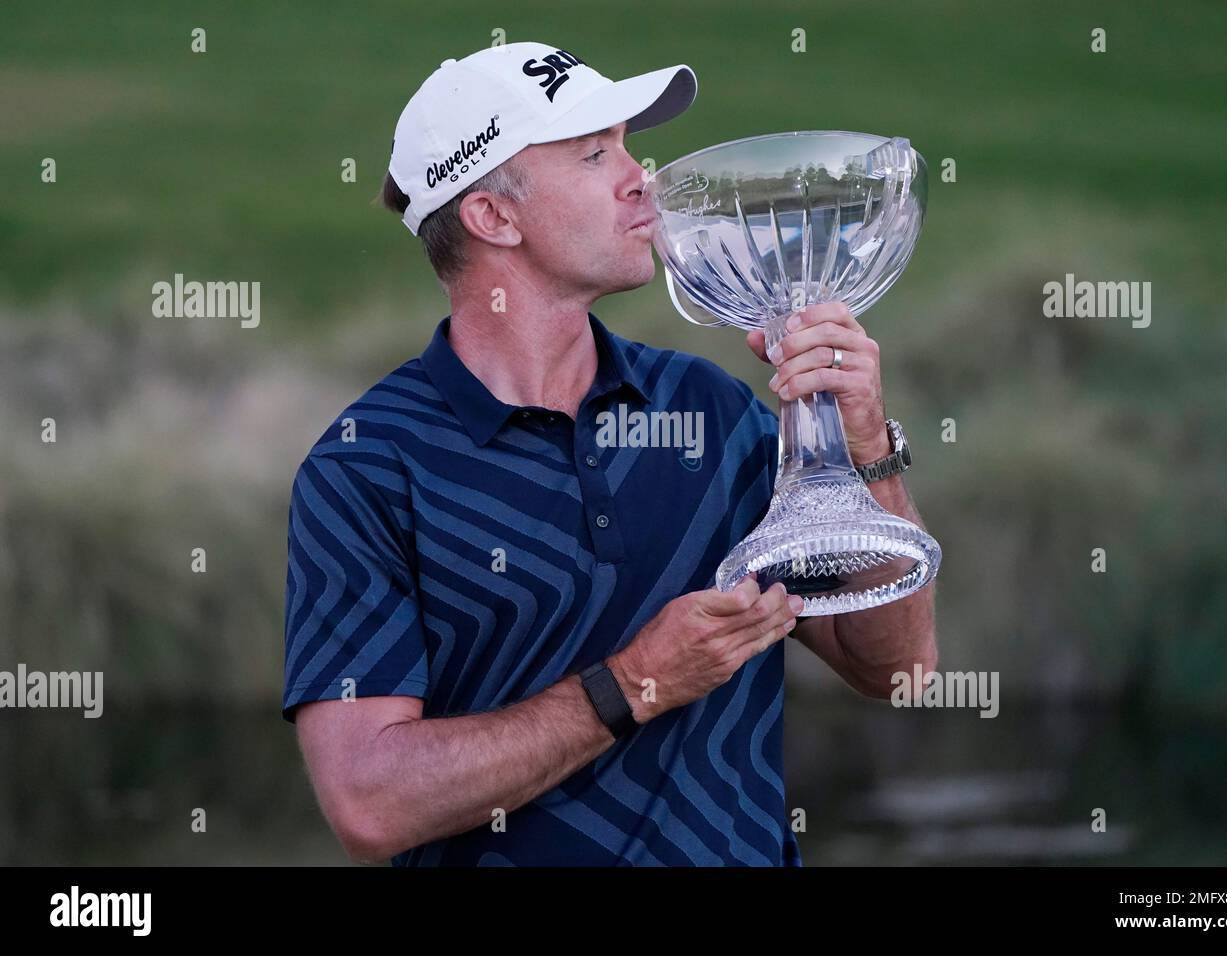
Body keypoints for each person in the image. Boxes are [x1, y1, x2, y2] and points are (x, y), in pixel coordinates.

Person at [282, 40, 937, 866]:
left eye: (629, 145)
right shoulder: (366, 467)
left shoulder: (713, 409)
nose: (643, 179)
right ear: (494, 216)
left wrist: (867, 446)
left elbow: (897, 672)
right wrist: (633, 683)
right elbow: (369, 804)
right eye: (596, 155)